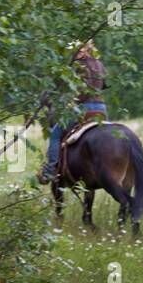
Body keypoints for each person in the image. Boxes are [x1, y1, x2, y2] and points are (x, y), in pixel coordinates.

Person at [38, 42, 108, 183]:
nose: (74, 54)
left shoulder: (77, 65)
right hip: (101, 108)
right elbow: (104, 85)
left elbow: (73, 89)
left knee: (55, 134)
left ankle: (51, 169)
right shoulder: (99, 64)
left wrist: (72, 100)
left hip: (82, 108)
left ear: (82, 50)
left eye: (76, 51)